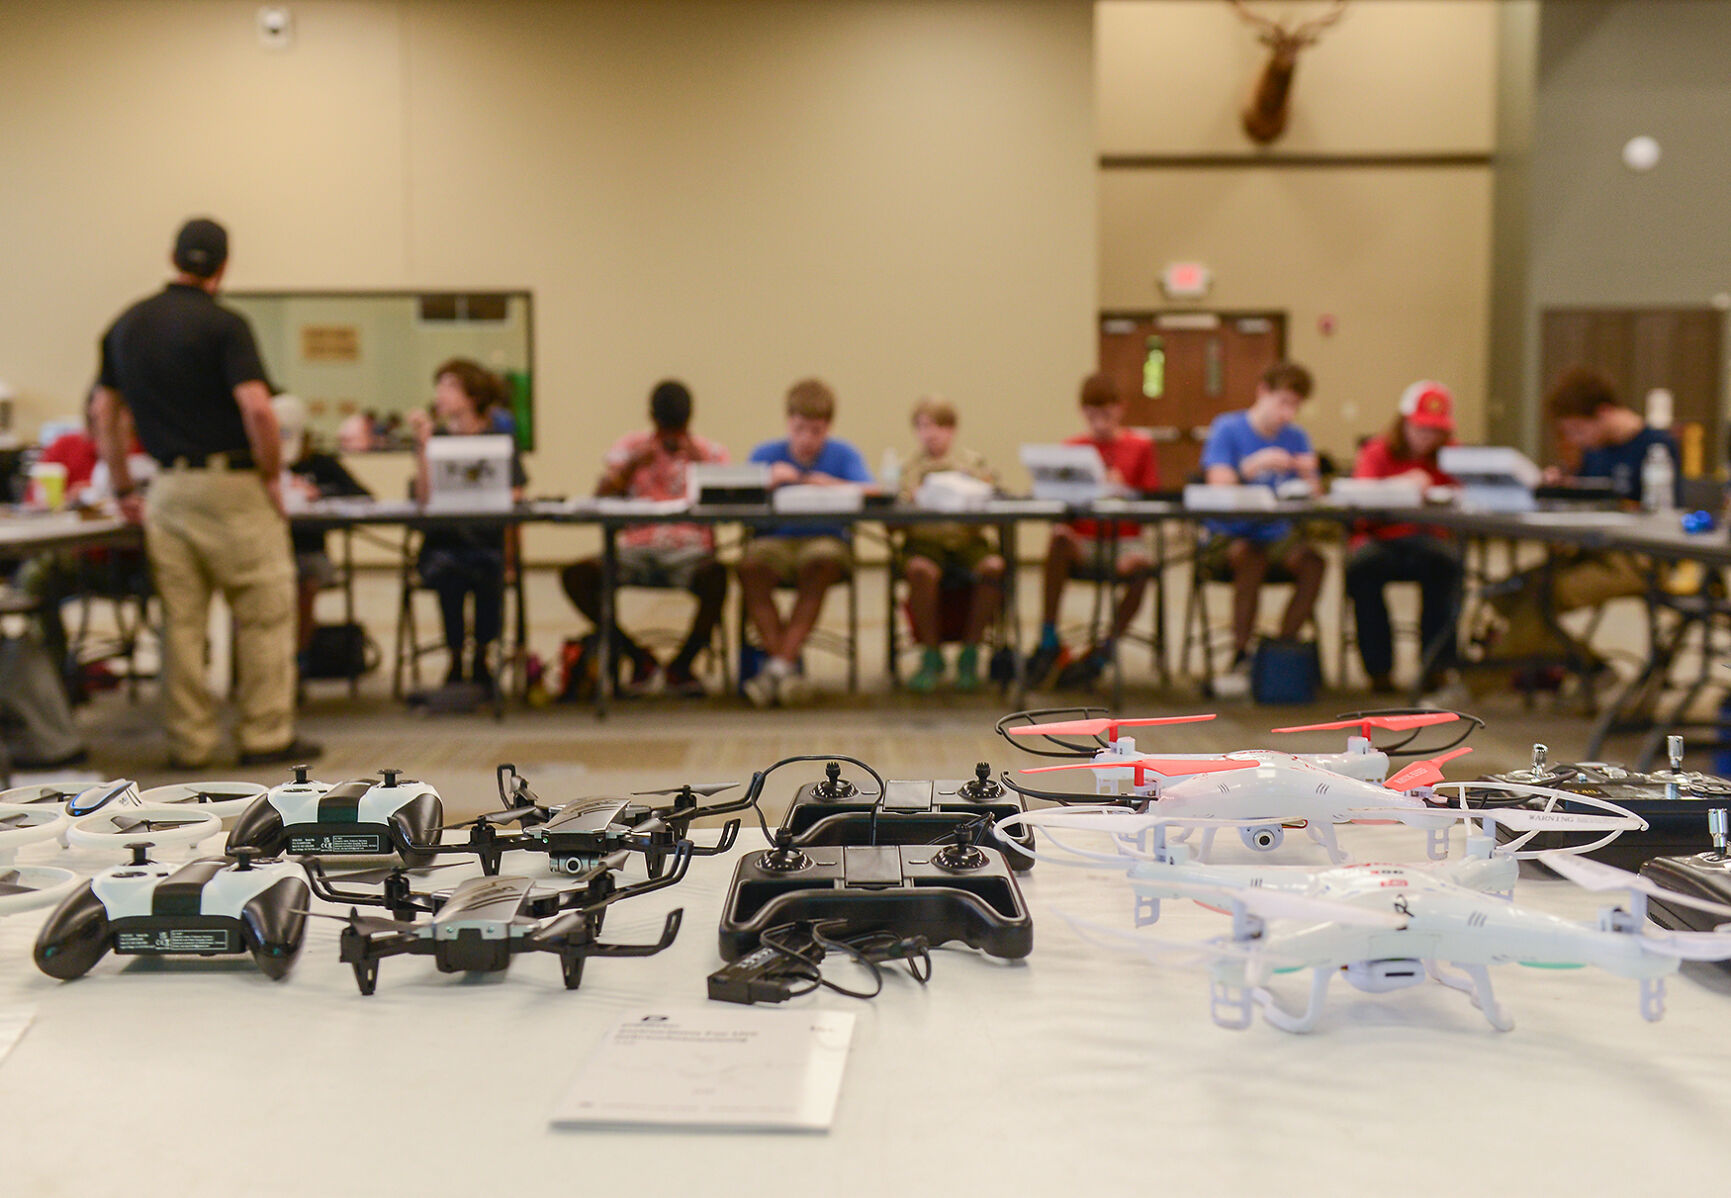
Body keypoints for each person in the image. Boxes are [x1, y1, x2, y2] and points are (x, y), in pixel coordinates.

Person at [92, 216, 316, 768]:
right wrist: (270, 473)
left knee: (181, 623)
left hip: (167, 489)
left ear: (172, 256)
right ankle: (265, 737)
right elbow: (258, 408)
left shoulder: (126, 325)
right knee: (263, 615)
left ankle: (188, 745)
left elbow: (104, 412)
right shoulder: (226, 325)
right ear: (223, 265)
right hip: (234, 487)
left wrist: (123, 485)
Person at [1454, 367, 1679, 699]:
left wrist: (1618, 506)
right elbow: (1586, 498)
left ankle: (1474, 687)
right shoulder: (1595, 450)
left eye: (1577, 430)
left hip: (1635, 561)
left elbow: (1669, 514)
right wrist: (1563, 490)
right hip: (1589, 551)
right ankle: (1591, 667)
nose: (1575, 440)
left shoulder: (1657, 447)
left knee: (1541, 599)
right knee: (1504, 594)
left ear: (1603, 414)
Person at [561, 380, 729, 697]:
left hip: (688, 552)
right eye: (664, 428)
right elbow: (600, 494)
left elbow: (730, 503)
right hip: (635, 549)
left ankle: (682, 666)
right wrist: (631, 467)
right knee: (578, 576)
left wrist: (701, 465)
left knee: (718, 578)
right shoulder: (631, 447)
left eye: (676, 430)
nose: (669, 437)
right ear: (651, 419)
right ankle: (638, 658)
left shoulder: (709, 452)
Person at [739, 378, 874, 707]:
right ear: (788, 422)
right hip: (775, 541)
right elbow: (736, 500)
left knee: (820, 565)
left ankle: (775, 669)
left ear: (827, 427)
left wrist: (826, 483)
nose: (806, 439)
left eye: (815, 431)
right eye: (799, 429)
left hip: (824, 539)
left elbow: (871, 491)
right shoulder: (765, 454)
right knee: (751, 567)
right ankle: (785, 668)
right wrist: (767, 484)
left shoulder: (843, 454)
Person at [1197, 360, 1325, 700]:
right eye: (1283, 402)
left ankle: (1279, 651)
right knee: (1249, 557)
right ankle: (1241, 654)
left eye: (1295, 406)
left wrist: (1308, 476)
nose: (1288, 413)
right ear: (1263, 392)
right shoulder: (1228, 427)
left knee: (1313, 561)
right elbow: (1217, 481)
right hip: (1229, 536)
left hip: (1277, 536)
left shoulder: (1296, 437)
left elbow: (1315, 493)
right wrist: (1254, 465)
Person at [1024, 373, 1161, 690]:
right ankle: (1048, 637)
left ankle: (1105, 649)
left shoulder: (1140, 446)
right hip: (1083, 539)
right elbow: (1059, 504)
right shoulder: (1073, 448)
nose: (1099, 421)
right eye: (1092, 414)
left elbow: (1153, 501)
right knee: (1058, 540)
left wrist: (1122, 489)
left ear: (1120, 409)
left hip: (1124, 540)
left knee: (1141, 568)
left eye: (1106, 413)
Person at [409, 358, 527, 695]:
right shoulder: (438, 437)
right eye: (440, 386)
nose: (440, 394)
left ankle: (483, 657)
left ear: (473, 395)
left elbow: (516, 490)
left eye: (450, 386)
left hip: (486, 541)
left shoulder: (499, 438)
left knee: (488, 573)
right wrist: (423, 445)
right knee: (449, 573)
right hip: (444, 543)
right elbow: (424, 497)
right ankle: (455, 654)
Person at [1344, 381, 1462, 694]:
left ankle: (1436, 666)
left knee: (1448, 568)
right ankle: (1378, 670)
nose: (1428, 438)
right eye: (1421, 428)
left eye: (1436, 431)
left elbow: (1468, 494)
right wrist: (1403, 485)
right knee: (1361, 571)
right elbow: (1358, 500)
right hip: (1380, 540)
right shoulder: (1377, 451)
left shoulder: (1451, 455)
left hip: (1429, 542)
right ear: (1404, 422)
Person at [897, 397, 1004, 692]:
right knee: (920, 570)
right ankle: (931, 654)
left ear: (953, 430)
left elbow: (993, 500)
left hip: (967, 539)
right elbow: (894, 516)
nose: (932, 433)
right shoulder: (907, 468)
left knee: (994, 567)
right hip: (925, 542)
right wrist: (915, 499)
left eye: (940, 426)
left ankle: (970, 652)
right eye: (924, 426)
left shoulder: (972, 463)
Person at [274, 393, 370, 673]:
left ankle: (299, 658)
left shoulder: (320, 464)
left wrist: (320, 493)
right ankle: (260, 665)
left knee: (306, 583)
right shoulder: (257, 463)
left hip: (309, 551)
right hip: (270, 551)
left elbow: (362, 494)